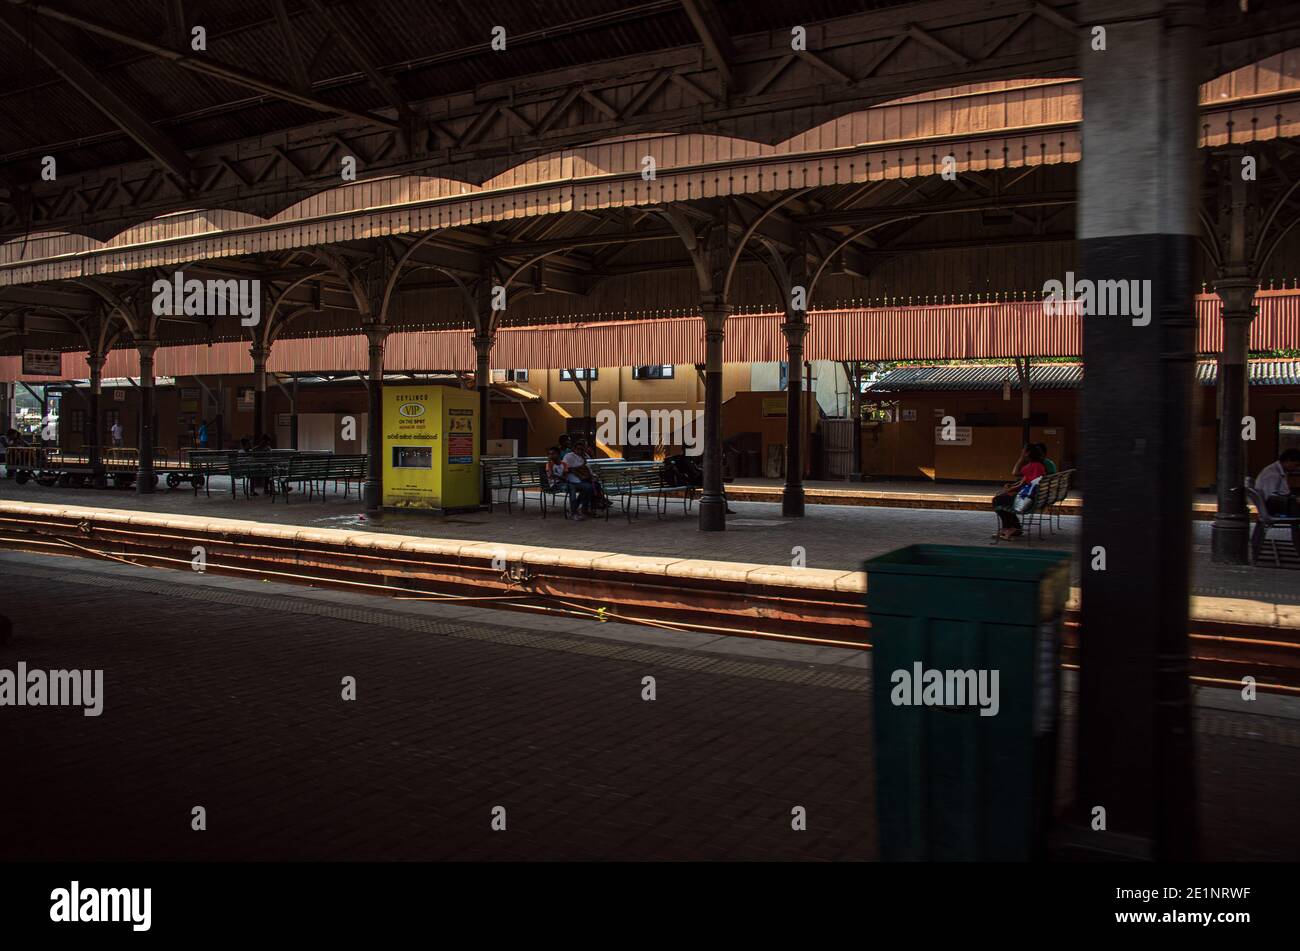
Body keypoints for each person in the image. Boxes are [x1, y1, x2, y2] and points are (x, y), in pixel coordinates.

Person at [992, 444, 1047, 540]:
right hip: (1034, 498)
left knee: (997, 500)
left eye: (1023, 451)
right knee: (1002, 498)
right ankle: (1012, 528)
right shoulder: (1039, 465)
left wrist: (1021, 459)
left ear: (1028, 453)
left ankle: (1010, 528)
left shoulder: (1031, 466)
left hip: (1027, 500)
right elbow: (1026, 482)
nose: (1021, 453)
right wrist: (1012, 489)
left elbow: (1016, 474)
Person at [1256, 449, 1300, 549]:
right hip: (1274, 508)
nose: (1296, 468)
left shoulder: (1279, 471)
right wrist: (1292, 500)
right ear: (1287, 461)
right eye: (1295, 465)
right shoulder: (1272, 474)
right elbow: (1271, 497)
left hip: (1280, 504)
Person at [560, 438, 597, 520]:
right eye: (578, 449)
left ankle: (585, 508)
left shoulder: (586, 456)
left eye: (582, 449)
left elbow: (590, 468)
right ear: (574, 449)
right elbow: (564, 469)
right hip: (572, 479)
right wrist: (576, 470)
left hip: (584, 478)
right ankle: (576, 510)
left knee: (595, 486)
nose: (580, 450)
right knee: (588, 487)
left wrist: (592, 476)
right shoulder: (569, 456)